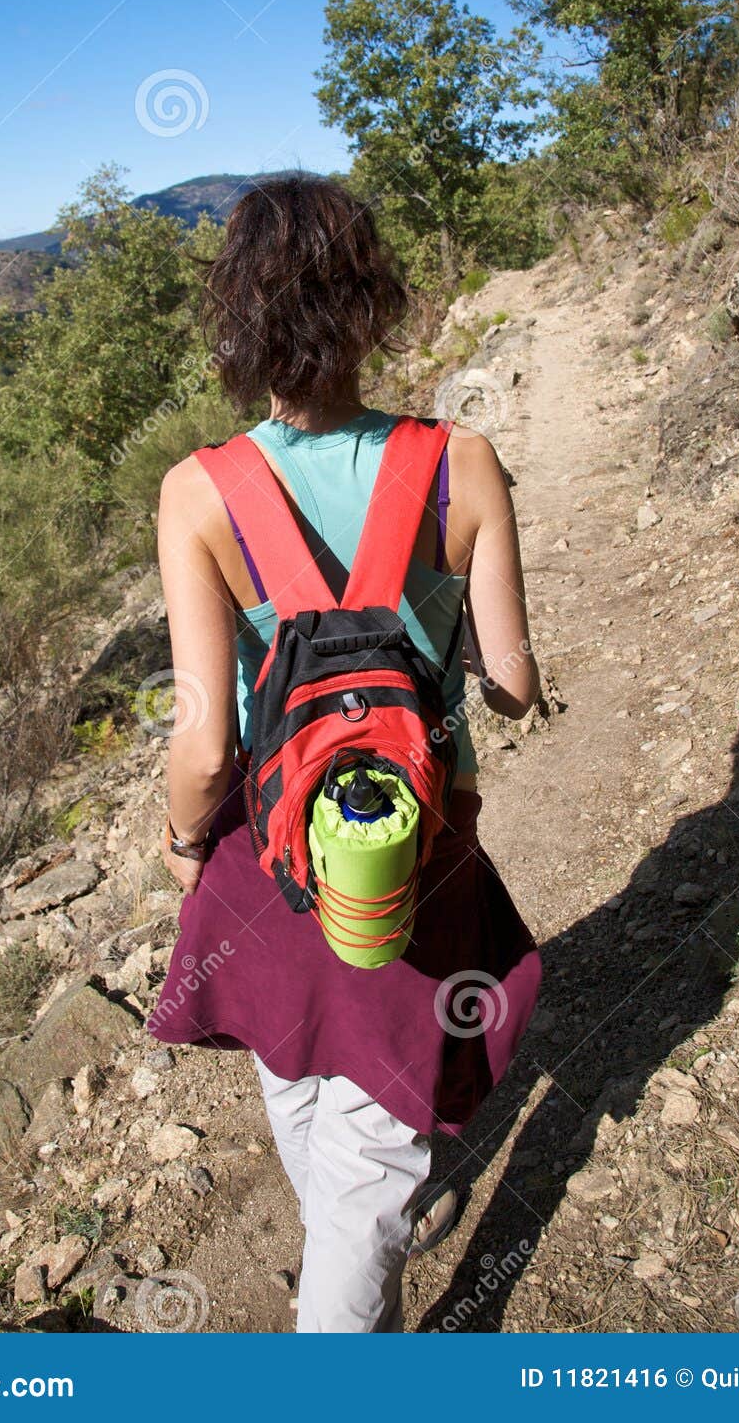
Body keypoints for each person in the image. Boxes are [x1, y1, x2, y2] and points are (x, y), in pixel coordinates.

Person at [149, 174, 542, 1333]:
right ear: (371, 305)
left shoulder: (199, 492)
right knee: (368, 1176)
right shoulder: (462, 459)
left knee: (302, 1084)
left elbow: (204, 744)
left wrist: (181, 842)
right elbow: (514, 683)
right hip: (416, 859)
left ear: (238, 321)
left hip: (269, 860)